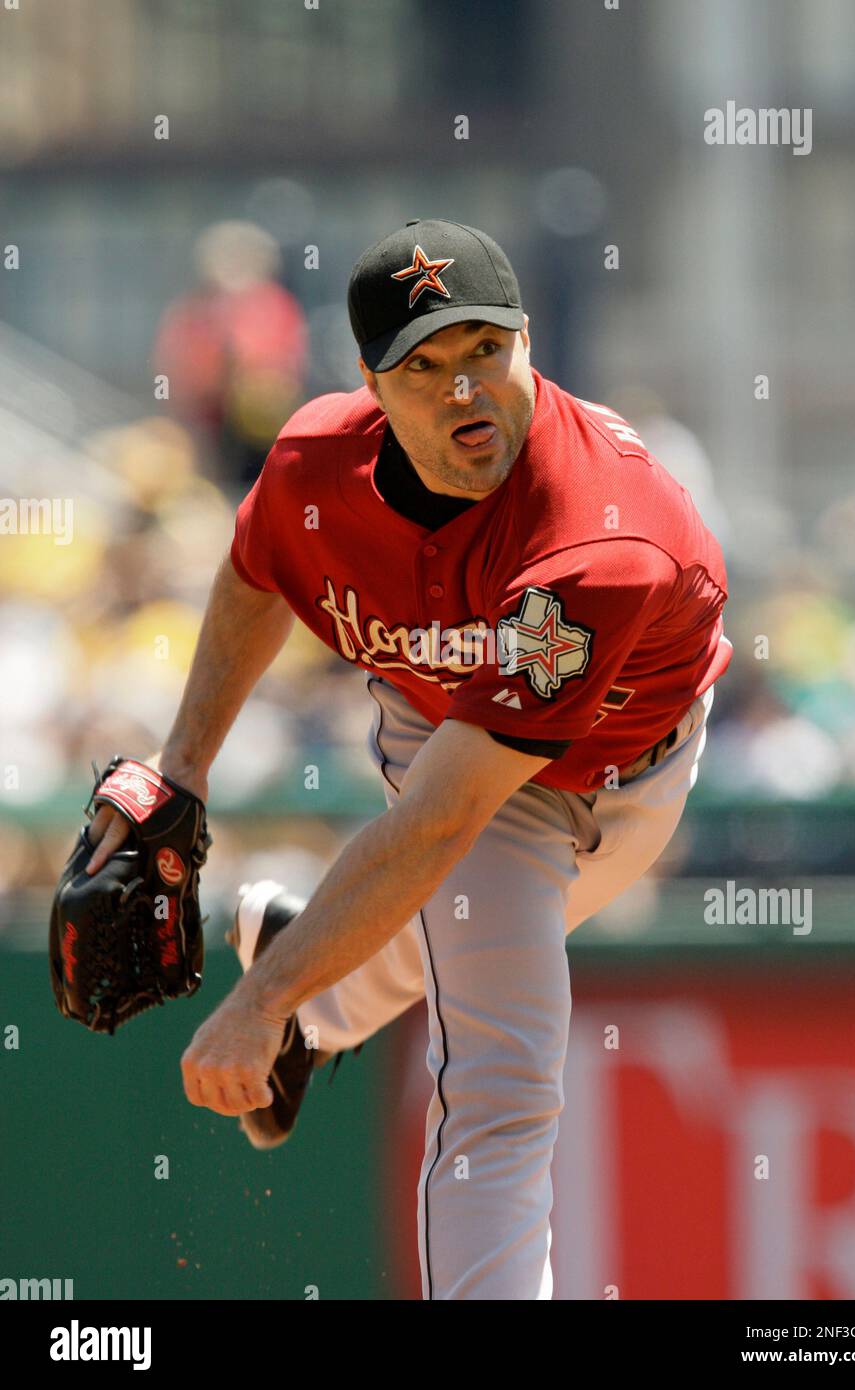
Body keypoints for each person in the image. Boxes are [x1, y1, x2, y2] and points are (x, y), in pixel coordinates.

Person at [86, 218, 732, 1300]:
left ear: (527, 343)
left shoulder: (598, 533)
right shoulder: (313, 464)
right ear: (371, 387)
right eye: (423, 366)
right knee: (502, 1068)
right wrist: (182, 770)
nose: (463, 387)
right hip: (453, 741)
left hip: (635, 773)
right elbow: (258, 567)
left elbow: (431, 829)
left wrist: (264, 999)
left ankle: (302, 982)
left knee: (440, 917)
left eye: (483, 348)